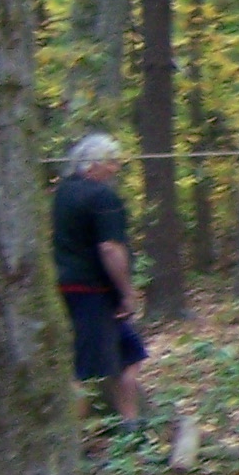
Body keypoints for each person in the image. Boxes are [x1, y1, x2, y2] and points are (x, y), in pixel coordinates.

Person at [52, 132, 147, 424]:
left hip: (71, 288)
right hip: (92, 293)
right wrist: (127, 292)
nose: (116, 169)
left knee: (130, 355)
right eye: (111, 163)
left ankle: (130, 424)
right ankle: (70, 444)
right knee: (82, 370)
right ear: (92, 164)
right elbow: (110, 248)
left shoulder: (63, 193)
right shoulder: (103, 196)